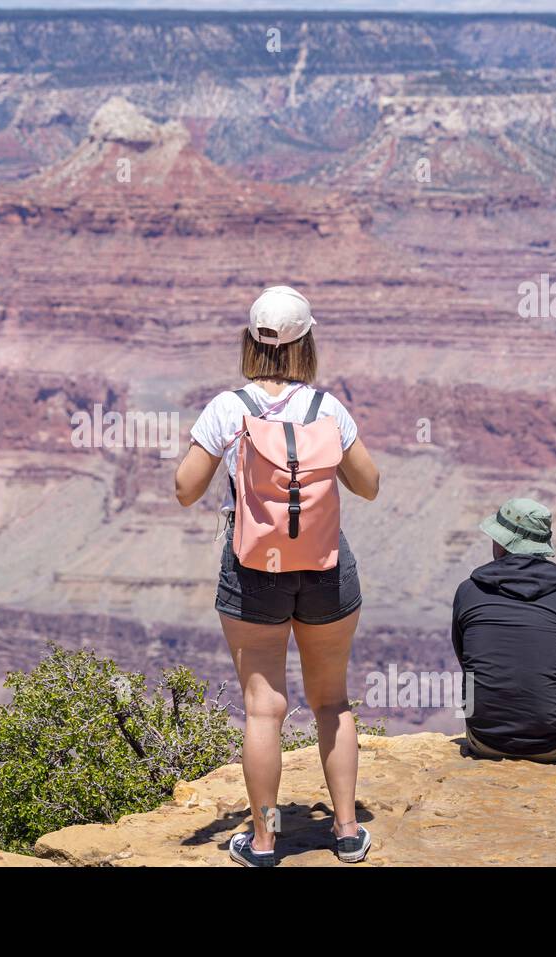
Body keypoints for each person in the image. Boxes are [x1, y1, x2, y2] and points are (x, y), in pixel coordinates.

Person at [174, 285, 380, 866]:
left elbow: (185, 491)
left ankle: (263, 842)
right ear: (306, 342)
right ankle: (345, 831)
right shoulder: (327, 408)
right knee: (332, 701)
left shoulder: (227, 407)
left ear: (251, 341)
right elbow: (368, 485)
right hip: (326, 568)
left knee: (263, 708)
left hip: (253, 570)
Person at [452, 497, 556, 762]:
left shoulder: (468, 591)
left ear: (502, 543)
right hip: (554, 742)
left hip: (484, 738)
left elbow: (468, 666)